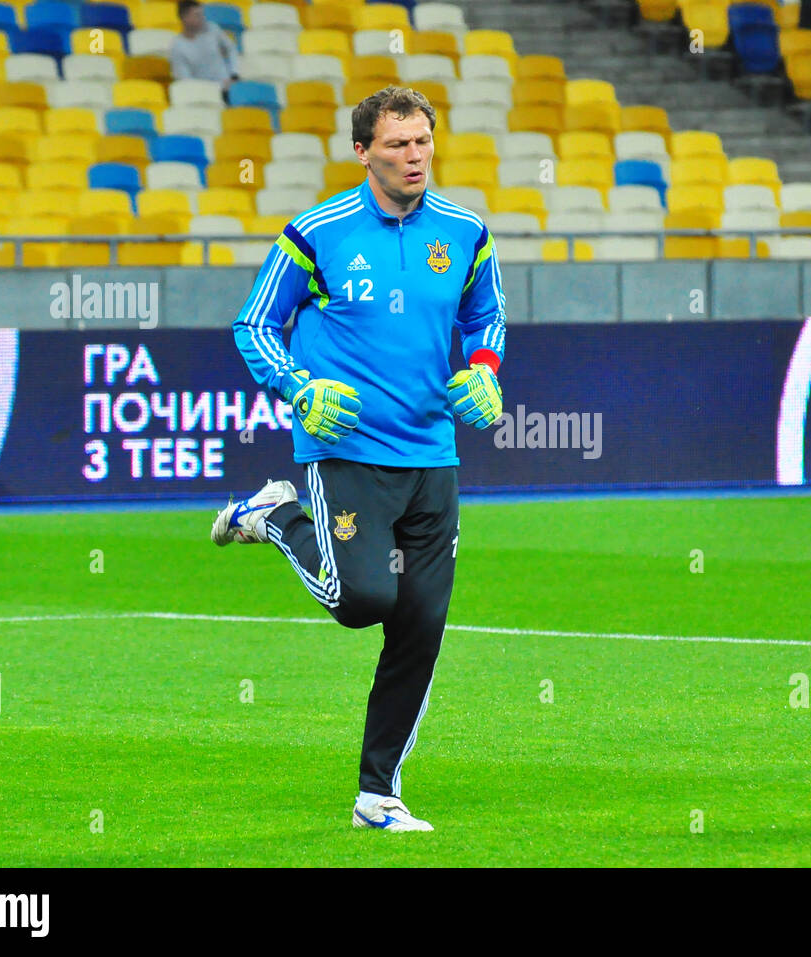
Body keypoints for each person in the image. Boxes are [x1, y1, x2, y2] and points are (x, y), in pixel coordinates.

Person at [211, 87, 507, 833]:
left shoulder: (466, 231)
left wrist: (484, 369)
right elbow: (255, 325)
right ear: (362, 152)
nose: (415, 156)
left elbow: (486, 316)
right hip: (344, 446)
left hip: (432, 450)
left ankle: (379, 795)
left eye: (423, 142)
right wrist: (298, 384)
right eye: (398, 145)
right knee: (362, 600)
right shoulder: (317, 233)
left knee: (421, 625)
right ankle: (278, 513)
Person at [170, 0, 239, 97]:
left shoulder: (212, 29)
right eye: (197, 15)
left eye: (202, 14)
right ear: (185, 18)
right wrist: (210, 91)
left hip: (228, 88)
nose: (202, 18)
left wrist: (234, 75)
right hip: (204, 95)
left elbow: (231, 49)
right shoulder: (177, 46)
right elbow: (185, 81)